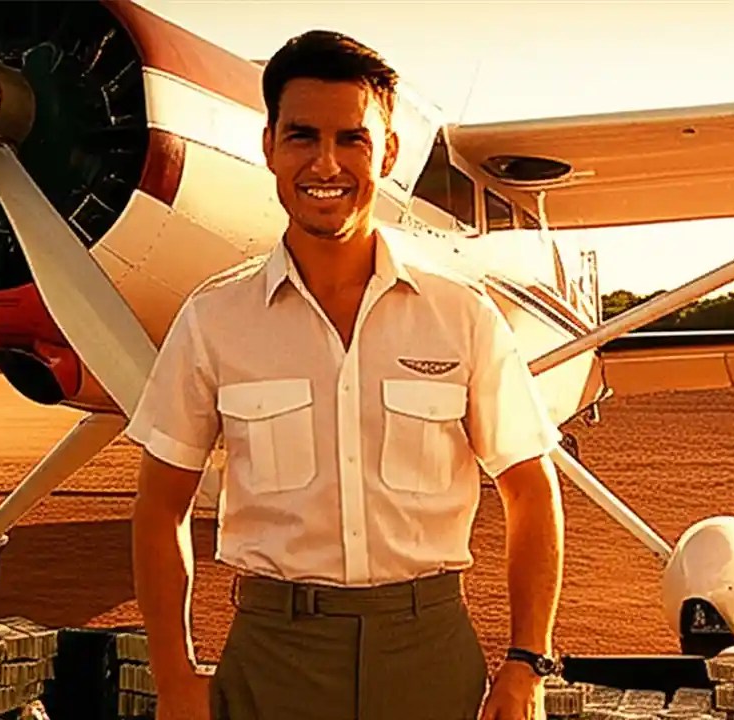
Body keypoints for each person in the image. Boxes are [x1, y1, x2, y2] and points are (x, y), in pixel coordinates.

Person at [127, 29, 565, 720]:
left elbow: (531, 491)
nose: (325, 163)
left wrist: (526, 664)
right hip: (273, 656)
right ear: (268, 144)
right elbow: (159, 508)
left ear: (387, 152)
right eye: (302, 136)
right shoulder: (212, 321)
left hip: (429, 652)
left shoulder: (464, 317)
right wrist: (174, 675)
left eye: (352, 139)